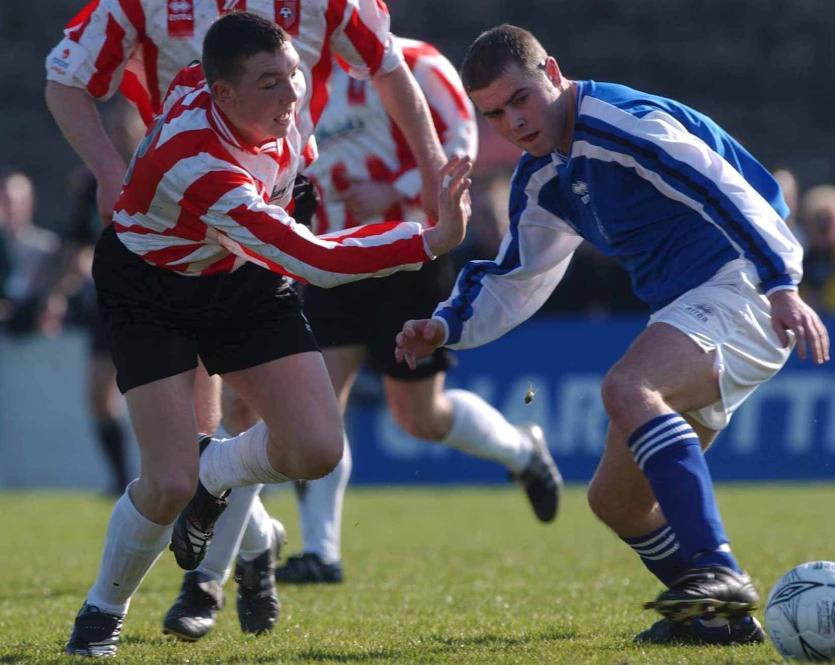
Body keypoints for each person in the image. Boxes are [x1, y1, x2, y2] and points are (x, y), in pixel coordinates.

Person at [395, 24, 830, 647]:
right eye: (494, 114)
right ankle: (715, 622)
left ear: (552, 70)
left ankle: (719, 572)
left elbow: (725, 186)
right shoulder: (542, 176)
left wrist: (782, 282)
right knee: (617, 501)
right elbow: (517, 276)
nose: (513, 121)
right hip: (694, 309)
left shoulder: (620, 123)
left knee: (628, 387)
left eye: (520, 98)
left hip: (746, 283)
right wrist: (443, 325)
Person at [59, 12, 472, 657]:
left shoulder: (260, 104)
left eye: (294, 77)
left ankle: (213, 473)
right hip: (152, 286)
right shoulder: (199, 162)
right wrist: (430, 240)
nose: (291, 98)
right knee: (166, 485)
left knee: (315, 448)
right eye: (269, 85)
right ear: (222, 94)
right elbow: (316, 260)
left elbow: (369, 73)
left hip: (241, 274)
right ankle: (102, 613)